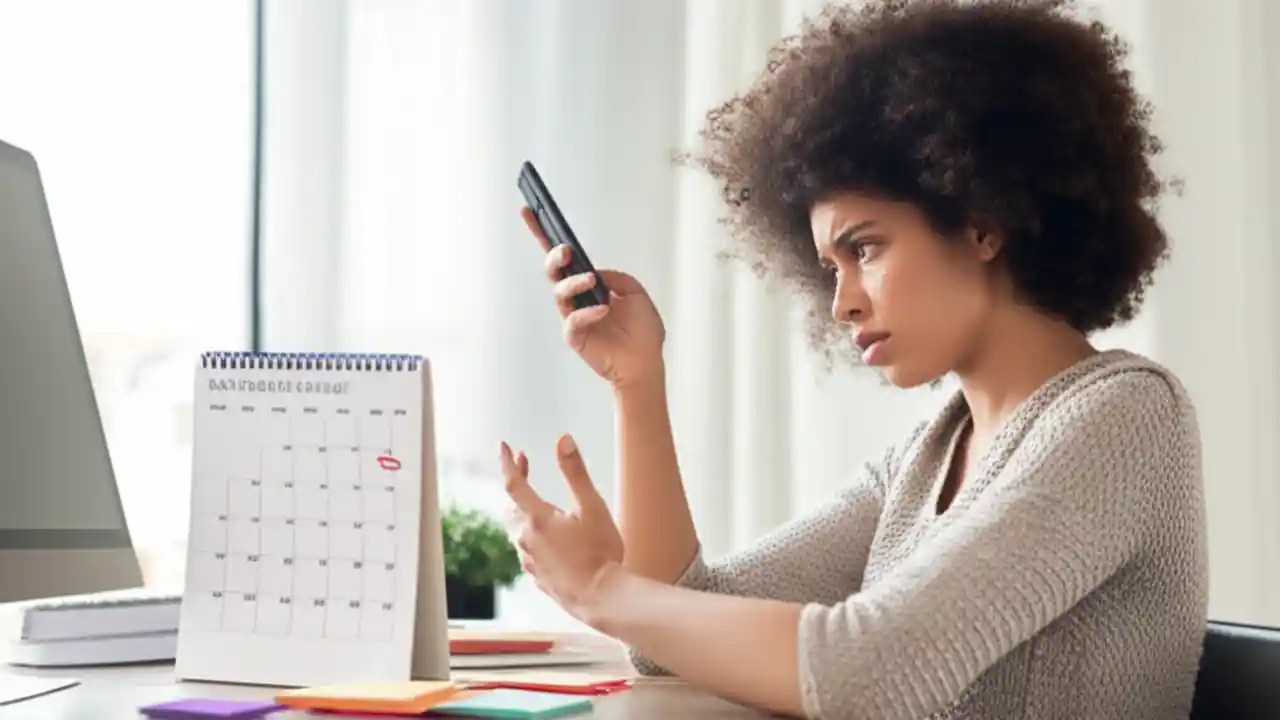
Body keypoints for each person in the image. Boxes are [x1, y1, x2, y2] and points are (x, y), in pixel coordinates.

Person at [499, 1, 1208, 717]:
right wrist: (637, 380)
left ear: (981, 221)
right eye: (830, 268)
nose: (841, 303)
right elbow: (671, 628)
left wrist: (599, 587)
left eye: (863, 248)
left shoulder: (1128, 417)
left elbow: (868, 672)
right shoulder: (928, 458)